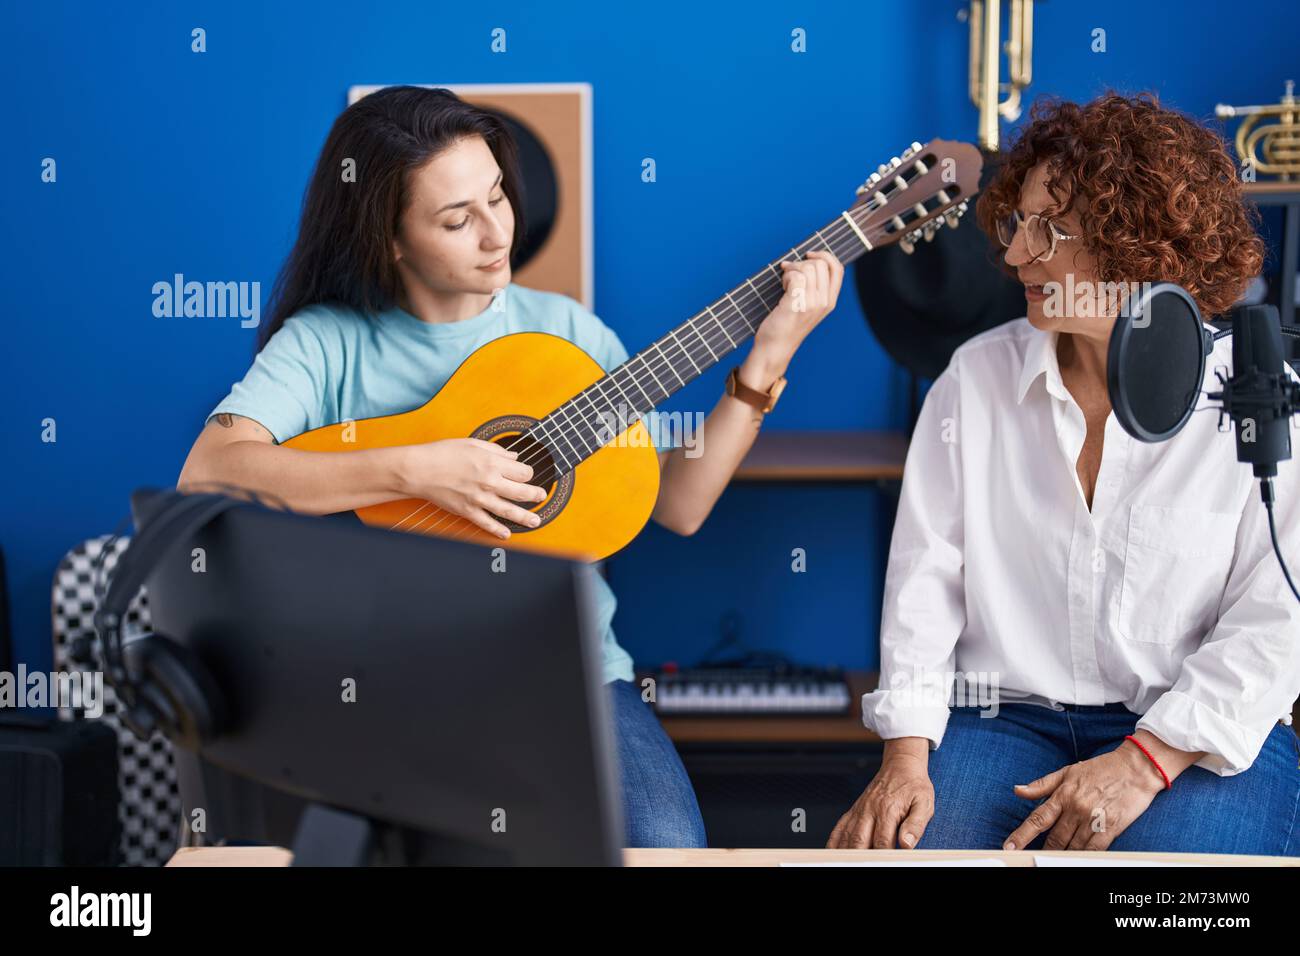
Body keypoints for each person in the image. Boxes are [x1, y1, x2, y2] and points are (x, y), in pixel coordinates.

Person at [177, 85, 843, 848]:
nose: (499, 234)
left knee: (663, 848)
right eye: (458, 219)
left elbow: (680, 503)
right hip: (383, 682)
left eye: (498, 196)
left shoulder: (564, 334)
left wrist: (768, 356)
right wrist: (418, 471)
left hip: (571, 681)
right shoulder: (327, 341)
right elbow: (211, 469)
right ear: (389, 240)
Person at [830, 92, 1300, 855]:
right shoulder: (972, 380)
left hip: (1194, 727)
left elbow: (1278, 619)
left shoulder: (1252, 386)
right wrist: (905, 755)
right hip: (1002, 718)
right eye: (1019, 224)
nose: (1016, 255)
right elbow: (924, 582)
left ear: (1141, 245)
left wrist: (1146, 761)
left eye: (1051, 232)